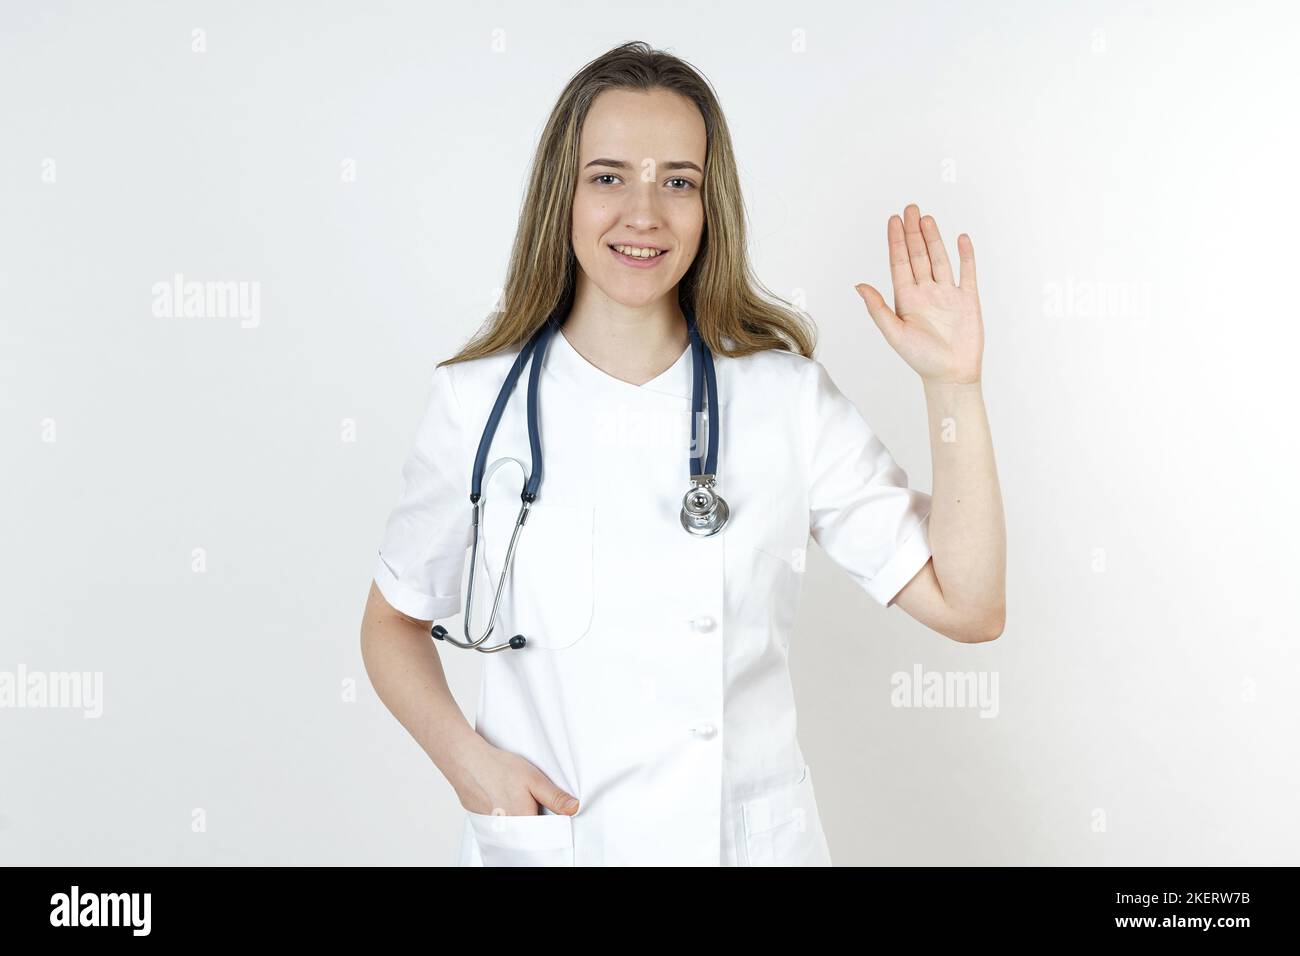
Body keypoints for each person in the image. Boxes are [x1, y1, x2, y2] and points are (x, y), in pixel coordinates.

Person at [359, 41, 1006, 866]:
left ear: (710, 207)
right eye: (608, 176)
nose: (644, 213)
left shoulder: (785, 401)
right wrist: (472, 768)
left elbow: (970, 605)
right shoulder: (477, 405)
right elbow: (391, 624)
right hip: (558, 843)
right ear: (563, 195)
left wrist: (954, 387)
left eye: (678, 181)